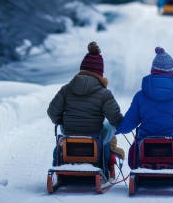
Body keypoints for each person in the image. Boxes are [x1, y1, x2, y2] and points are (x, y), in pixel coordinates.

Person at [47, 42, 125, 179]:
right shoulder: (104, 93)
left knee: (60, 144)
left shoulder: (66, 89)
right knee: (107, 135)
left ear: (82, 70)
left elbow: (52, 112)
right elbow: (115, 119)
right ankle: (105, 170)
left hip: (69, 135)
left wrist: (62, 121)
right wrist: (122, 125)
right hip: (93, 137)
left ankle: (58, 169)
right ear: (100, 73)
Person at [116, 47, 173, 168]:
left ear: (153, 71)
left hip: (145, 145)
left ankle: (144, 166)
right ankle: (172, 166)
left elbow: (129, 122)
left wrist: (116, 129)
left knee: (133, 156)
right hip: (172, 144)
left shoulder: (140, 96)